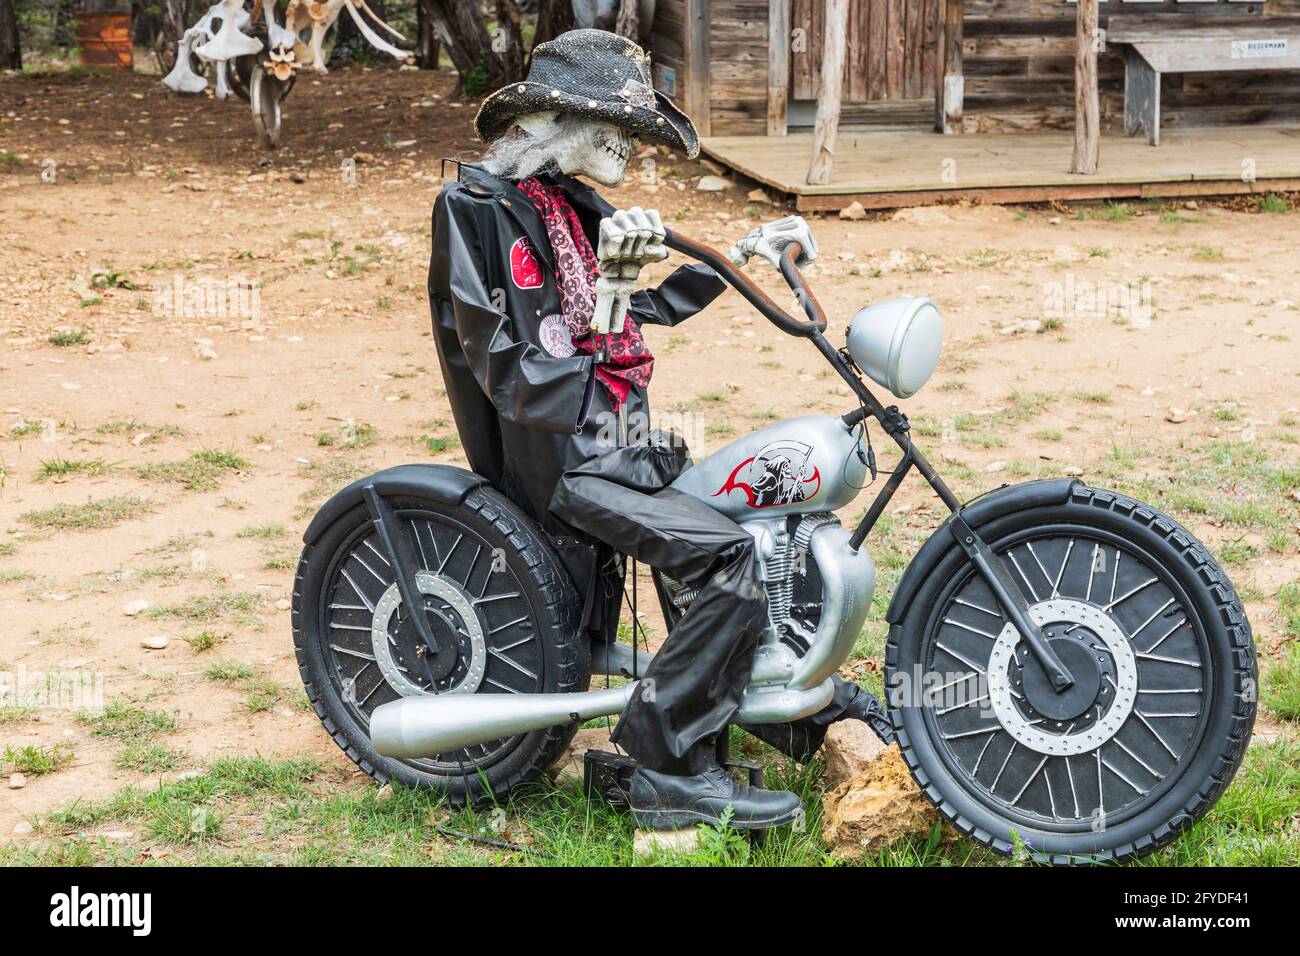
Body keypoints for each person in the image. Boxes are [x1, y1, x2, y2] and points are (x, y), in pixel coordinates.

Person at [428, 28, 892, 830]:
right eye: (618, 130)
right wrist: (610, 290)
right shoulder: (476, 209)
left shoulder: (568, 201)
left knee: (750, 520)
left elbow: (630, 314)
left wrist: (733, 257)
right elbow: (509, 367)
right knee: (724, 559)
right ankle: (665, 769)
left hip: (622, 448)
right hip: (562, 462)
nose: (629, 149)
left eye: (636, 135)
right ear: (551, 120)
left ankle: (793, 701)